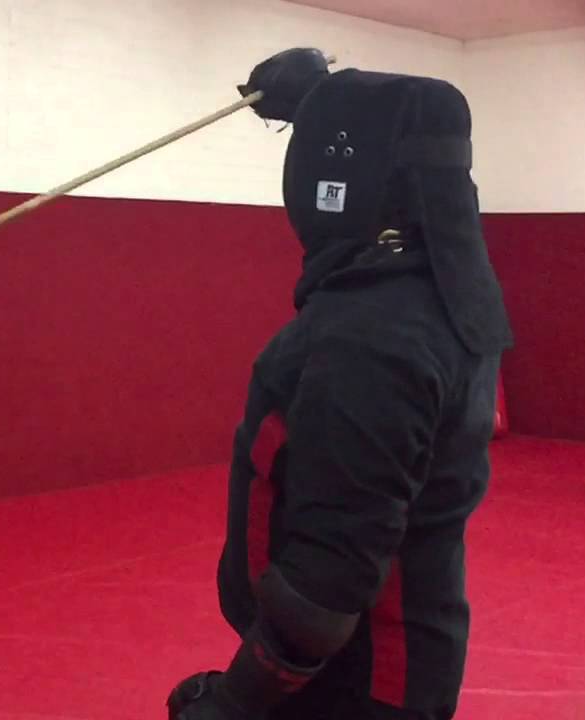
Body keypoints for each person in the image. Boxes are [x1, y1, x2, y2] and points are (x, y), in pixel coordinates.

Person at [167, 51, 514, 720]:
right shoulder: (440, 291)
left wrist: (236, 701)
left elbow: (330, 577)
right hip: (386, 665)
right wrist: (316, 99)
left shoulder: (373, 339)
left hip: (355, 684)